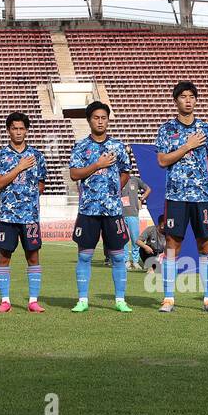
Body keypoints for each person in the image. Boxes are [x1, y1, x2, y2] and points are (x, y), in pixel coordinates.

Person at [154, 81, 208, 313]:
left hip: (202, 197)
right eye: (183, 96)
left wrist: (205, 183)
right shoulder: (166, 129)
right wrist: (187, 146)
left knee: (206, 244)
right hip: (176, 196)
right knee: (172, 245)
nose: (188, 100)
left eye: (191, 96)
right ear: (176, 101)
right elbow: (162, 160)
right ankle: (168, 298)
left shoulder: (206, 129)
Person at [67, 101, 134, 312]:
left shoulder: (118, 146)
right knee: (84, 255)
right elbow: (74, 174)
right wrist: (97, 165)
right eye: (96, 117)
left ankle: (120, 300)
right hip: (88, 209)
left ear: (108, 120)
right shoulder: (80, 147)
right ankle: (82, 300)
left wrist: (114, 190)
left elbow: (126, 172)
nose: (100, 121)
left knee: (118, 256)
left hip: (113, 210)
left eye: (104, 117)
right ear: (89, 120)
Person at [0, 111, 48, 312]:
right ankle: (5, 300)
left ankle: (33, 301)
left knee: (33, 256)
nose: (18, 132)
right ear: (8, 130)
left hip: (30, 216)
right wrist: (19, 167)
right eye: (14, 128)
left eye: (21, 128)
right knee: (3, 256)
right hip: (7, 216)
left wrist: (27, 198)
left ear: (27, 131)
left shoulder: (37, 156)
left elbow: (41, 184)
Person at [120, 153, 151, 271]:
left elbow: (148, 189)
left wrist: (142, 198)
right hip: (120, 215)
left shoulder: (135, 180)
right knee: (123, 240)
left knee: (135, 240)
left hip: (133, 214)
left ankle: (136, 261)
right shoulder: (118, 180)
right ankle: (126, 261)